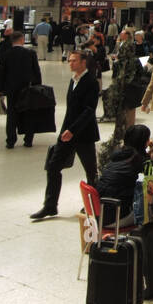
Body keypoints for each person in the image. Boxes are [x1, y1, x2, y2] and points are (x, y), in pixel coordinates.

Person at [32, 51, 100, 221]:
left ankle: (92, 204)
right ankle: (50, 206)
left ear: (83, 62)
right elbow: (71, 110)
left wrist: (73, 130)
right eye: (69, 61)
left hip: (83, 134)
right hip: (67, 133)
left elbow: (89, 110)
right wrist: (64, 131)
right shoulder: (73, 80)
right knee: (53, 166)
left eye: (73, 61)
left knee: (91, 171)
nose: (70, 63)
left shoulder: (91, 82)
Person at [95, 124, 153, 229]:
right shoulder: (141, 161)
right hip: (116, 216)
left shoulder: (117, 154)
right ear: (145, 142)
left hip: (97, 213)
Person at [0, 31, 41, 149]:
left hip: (11, 88)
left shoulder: (6, 54)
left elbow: (1, 72)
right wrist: (38, 85)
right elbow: (36, 71)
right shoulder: (30, 53)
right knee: (28, 113)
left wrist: (0, 89)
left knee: (11, 114)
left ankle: (10, 140)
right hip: (27, 87)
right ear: (22, 39)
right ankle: (28, 140)